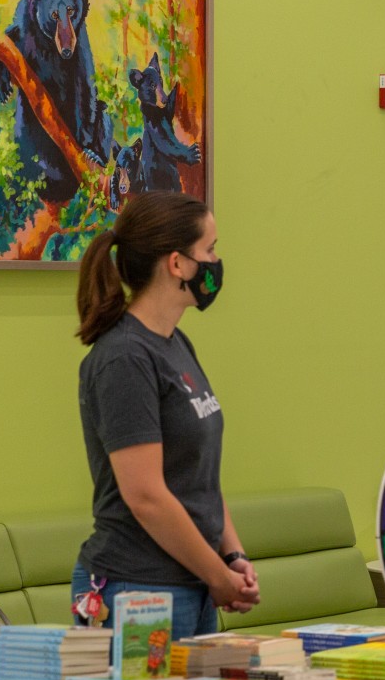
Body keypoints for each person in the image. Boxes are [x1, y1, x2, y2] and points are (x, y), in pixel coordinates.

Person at [70, 191, 259, 638]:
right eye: (209, 250)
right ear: (177, 264)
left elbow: (198, 476)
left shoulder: (175, 344)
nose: (216, 262)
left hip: (194, 582)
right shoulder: (124, 358)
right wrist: (217, 575)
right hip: (137, 588)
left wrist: (232, 557)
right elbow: (146, 496)